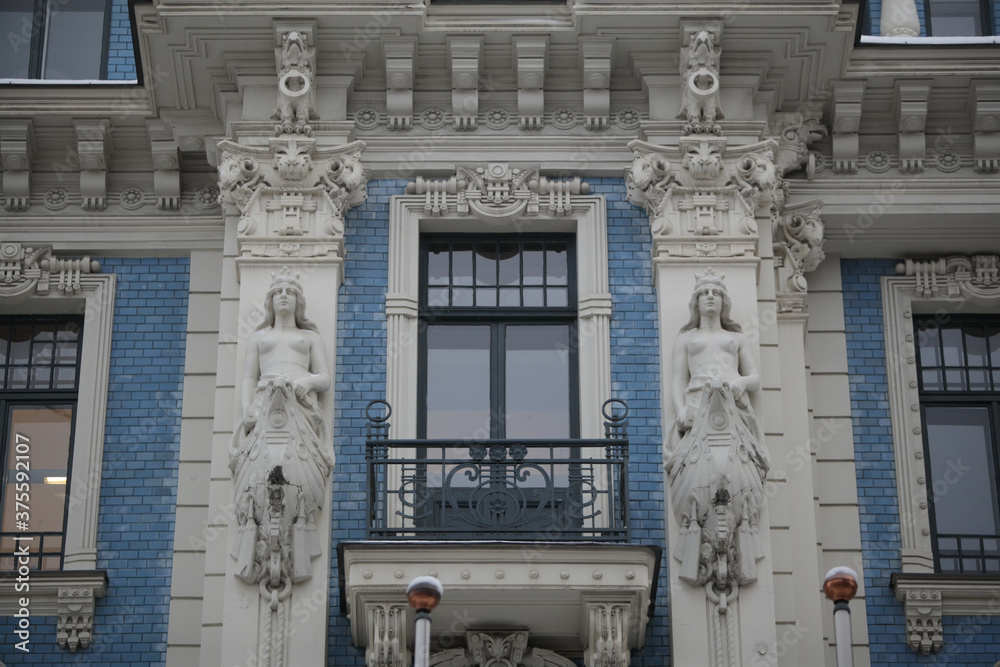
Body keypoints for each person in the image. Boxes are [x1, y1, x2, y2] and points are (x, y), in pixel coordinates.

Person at [666, 269, 769, 589]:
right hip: (697, 409)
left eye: (716, 292)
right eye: (704, 292)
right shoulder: (686, 338)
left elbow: (754, 378)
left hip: (730, 406)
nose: (710, 296)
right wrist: (682, 410)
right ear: (695, 302)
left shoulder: (736, 338)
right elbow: (678, 380)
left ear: (724, 302)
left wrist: (738, 381)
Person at [229, 267, 331, 586]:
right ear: (270, 300)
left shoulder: (309, 337)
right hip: (264, 405)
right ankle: (258, 524)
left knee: (297, 465)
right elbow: (249, 377)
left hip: (298, 407)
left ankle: (296, 521)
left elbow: (324, 378)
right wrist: (247, 410)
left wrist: (305, 382)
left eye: (289, 291)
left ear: (298, 301)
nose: (283, 295)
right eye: (278, 292)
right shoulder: (259, 338)